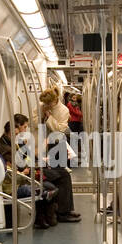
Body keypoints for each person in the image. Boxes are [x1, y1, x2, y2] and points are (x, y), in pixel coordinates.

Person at [38, 89, 79, 222]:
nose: (46, 106)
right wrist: (42, 115)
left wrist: (49, 117)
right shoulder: (41, 107)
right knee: (62, 176)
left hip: (57, 144)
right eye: (45, 104)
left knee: (64, 175)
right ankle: (62, 211)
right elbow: (34, 123)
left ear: (54, 101)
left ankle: (66, 209)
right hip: (43, 145)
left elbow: (59, 129)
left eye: (48, 104)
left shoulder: (64, 110)